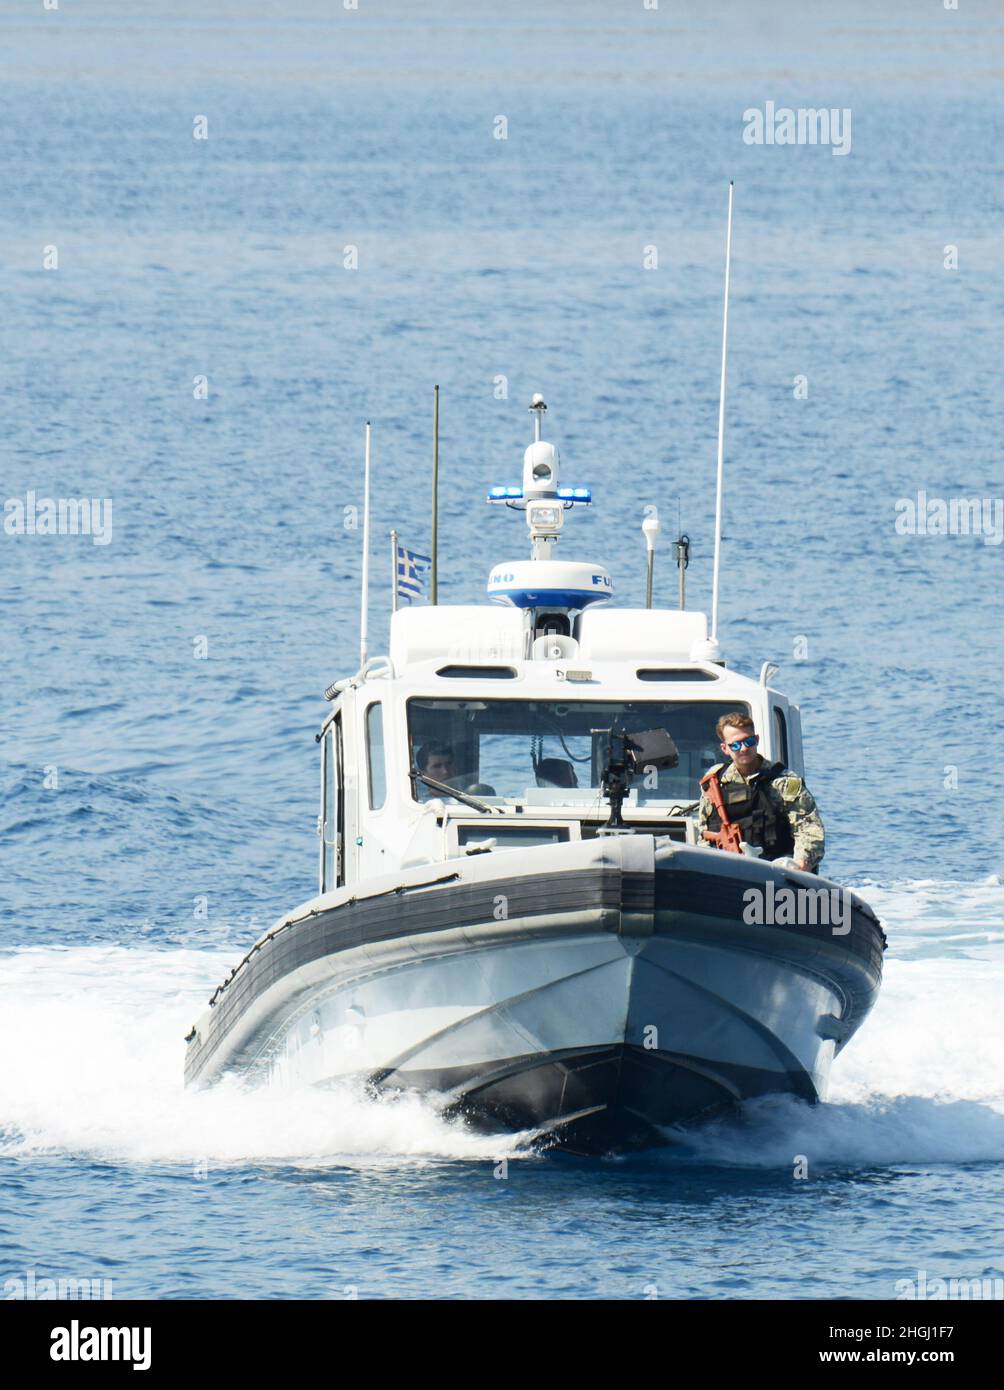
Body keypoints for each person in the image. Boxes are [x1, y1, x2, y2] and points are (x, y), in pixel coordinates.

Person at [698, 712, 824, 872]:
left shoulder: (782, 781)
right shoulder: (715, 783)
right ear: (725, 748)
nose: (743, 749)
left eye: (748, 741)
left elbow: (808, 828)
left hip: (775, 872)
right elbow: (704, 833)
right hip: (726, 872)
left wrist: (800, 864)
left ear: (756, 740)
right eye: (735, 745)